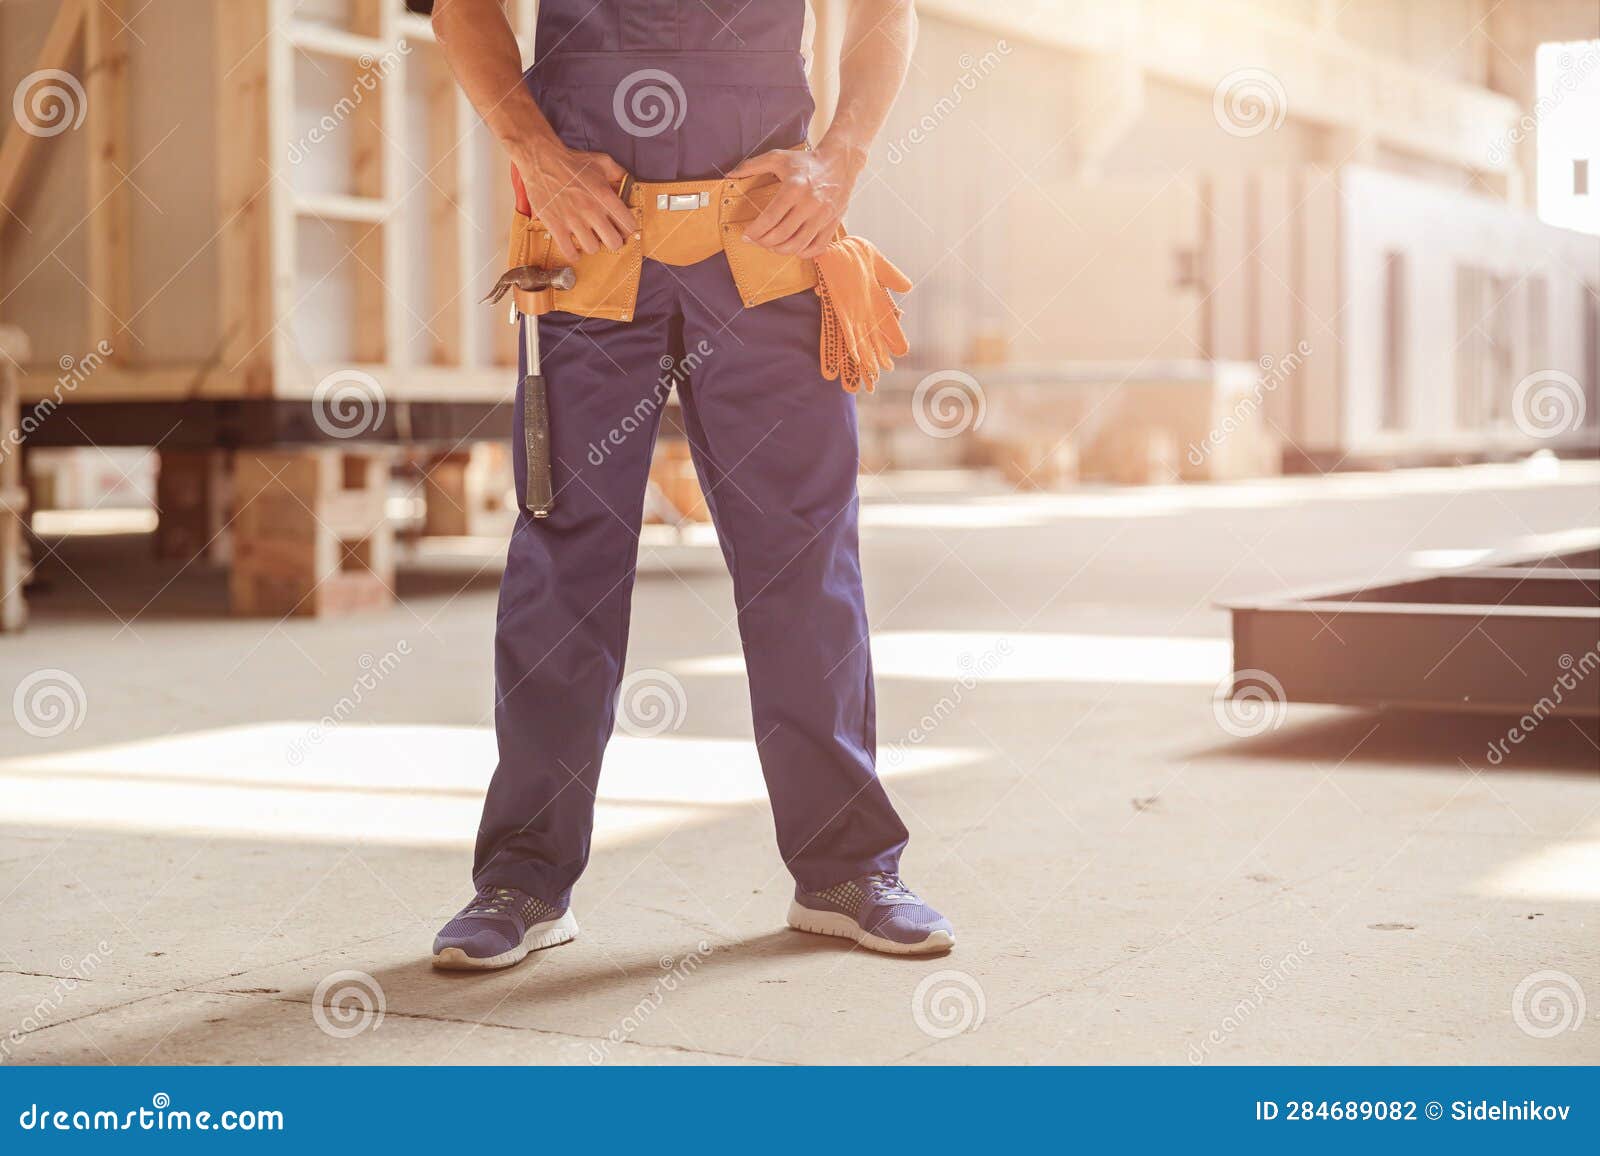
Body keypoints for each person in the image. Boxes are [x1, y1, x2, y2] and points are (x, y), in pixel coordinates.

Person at [429, 0, 951, 969]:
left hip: (765, 241)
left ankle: (846, 867)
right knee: (564, 556)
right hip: (591, 239)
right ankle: (524, 877)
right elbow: (462, 11)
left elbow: (887, 10)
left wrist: (840, 159)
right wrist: (535, 155)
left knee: (803, 554)